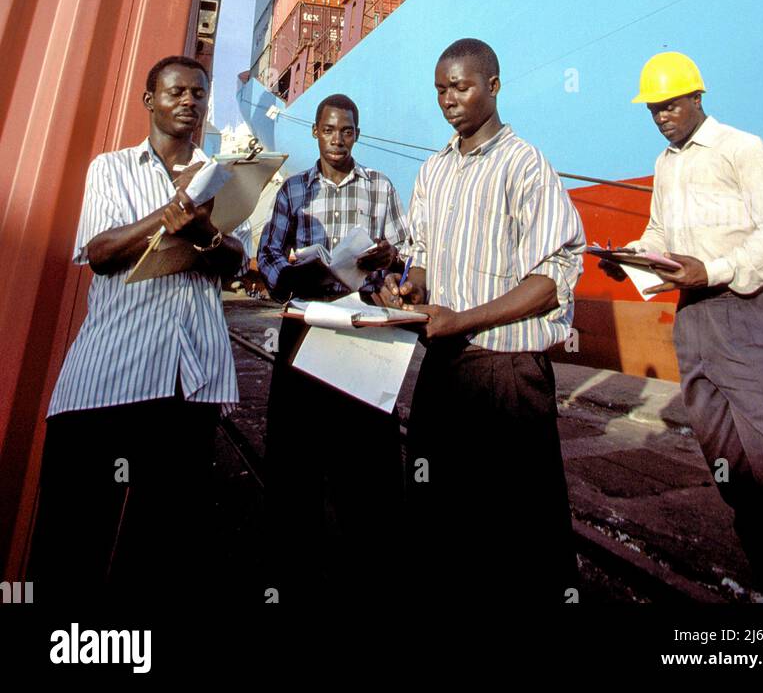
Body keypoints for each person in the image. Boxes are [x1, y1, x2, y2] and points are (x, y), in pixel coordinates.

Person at [601, 50, 763, 602]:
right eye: (653, 109)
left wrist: (713, 269)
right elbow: (661, 234)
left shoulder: (742, 149)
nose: (662, 116)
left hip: (747, 314)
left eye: (670, 105)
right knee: (730, 468)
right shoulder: (666, 164)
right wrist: (631, 257)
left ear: (696, 97)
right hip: (693, 321)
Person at [28, 55, 251, 602]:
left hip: (188, 380)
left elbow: (236, 265)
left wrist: (206, 235)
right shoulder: (112, 167)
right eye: (176, 92)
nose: (189, 102)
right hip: (110, 376)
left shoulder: (221, 175)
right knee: (70, 541)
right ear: (149, 101)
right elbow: (100, 252)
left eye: (198, 93)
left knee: (161, 550)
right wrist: (169, 212)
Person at [379, 38, 585, 611]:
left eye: (462, 87)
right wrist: (412, 285)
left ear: (494, 86)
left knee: (524, 530)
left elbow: (552, 278)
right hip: (445, 368)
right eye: (441, 89)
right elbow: (420, 253)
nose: (449, 99)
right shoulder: (433, 170)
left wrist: (461, 319)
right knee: (436, 515)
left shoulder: (525, 164)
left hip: (508, 373)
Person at [257, 93, 409, 584]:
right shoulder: (292, 191)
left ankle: (369, 568)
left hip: (362, 329)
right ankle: (298, 567)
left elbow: (404, 254)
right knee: (294, 456)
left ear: (357, 135)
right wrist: (296, 276)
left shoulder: (381, 189)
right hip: (305, 326)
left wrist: (388, 259)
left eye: (347, 131)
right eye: (329, 130)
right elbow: (268, 257)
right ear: (316, 133)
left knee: (368, 459)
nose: (338, 140)